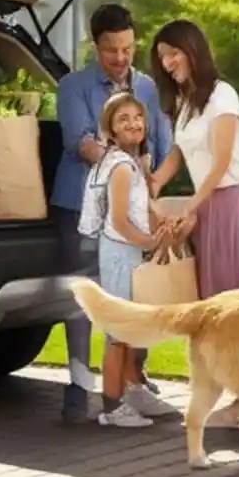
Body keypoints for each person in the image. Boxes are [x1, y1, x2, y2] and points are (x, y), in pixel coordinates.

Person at [145, 19, 239, 430]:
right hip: (211, 209)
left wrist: (190, 206)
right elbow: (180, 151)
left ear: (193, 50)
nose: (168, 63)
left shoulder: (222, 95)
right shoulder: (186, 102)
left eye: (174, 53)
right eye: (163, 57)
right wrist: (154, 181)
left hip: (234, 206)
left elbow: (222, 160)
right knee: (223, 309)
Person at [53, 3, 173, 424]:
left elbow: (161, 144)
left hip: (132, 213)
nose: (121, 58)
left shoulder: (148, 88)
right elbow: (80, 142)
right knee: (85, 298)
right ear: (95, 46)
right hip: (80, 208)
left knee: (135, 297)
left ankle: (133, 384)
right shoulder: (73, 86)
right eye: (110, 50)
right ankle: (79, 386)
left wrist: (150, 188)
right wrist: (124, 163)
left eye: (127, 48)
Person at [78, 92, 177, 426]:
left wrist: (159, 225)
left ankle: (129, 392)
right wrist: (149, 242)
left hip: (126, 252)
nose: (134, 123)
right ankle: (111, 407)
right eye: (124, 119)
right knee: (118, 331)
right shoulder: (121, 167)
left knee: (129, 327)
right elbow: (119, 221)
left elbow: (139, 210)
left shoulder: (129, 162)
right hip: (120, 254)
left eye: (138, 117)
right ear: (111, 131)